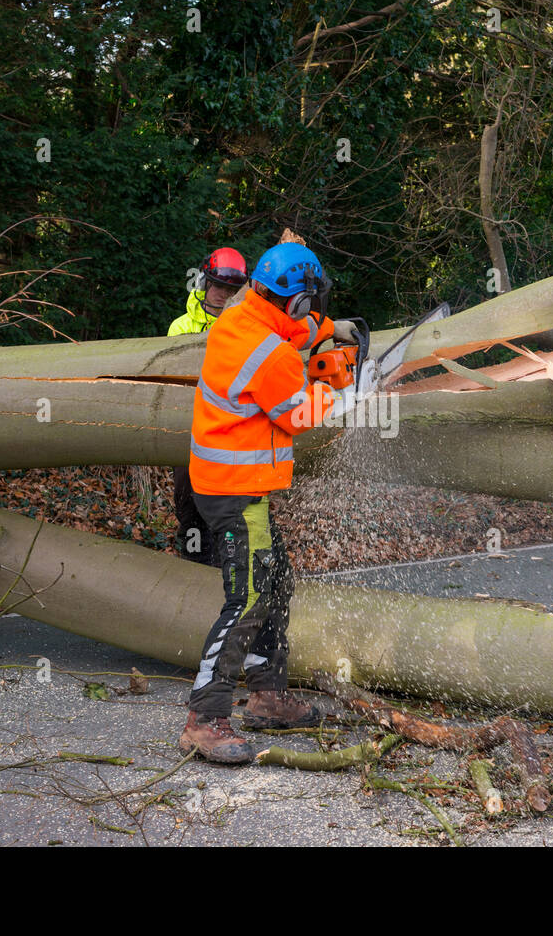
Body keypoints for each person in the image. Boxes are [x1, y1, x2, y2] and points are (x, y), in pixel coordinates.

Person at [179, 241, 368, 763]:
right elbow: (299, 416)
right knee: (250, 596)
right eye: (310, 306)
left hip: (232, 482)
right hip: (233, 490)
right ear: (296, 301)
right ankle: (205, 716)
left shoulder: (246, 316)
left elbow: (291, 328)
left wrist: (331, 329)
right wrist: (341, 382)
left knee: (275, 579)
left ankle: (265, 696)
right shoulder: (267, 353)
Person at [167, 247, 248, 566]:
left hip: (231, 430)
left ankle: (233, 570)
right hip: (189, 426)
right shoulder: (181, 327)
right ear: (204, 282)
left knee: (231, 510)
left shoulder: (245, 328)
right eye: (217, 286)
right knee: (189, 505)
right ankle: (193, 565)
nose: (222, 294)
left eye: (230, 290)